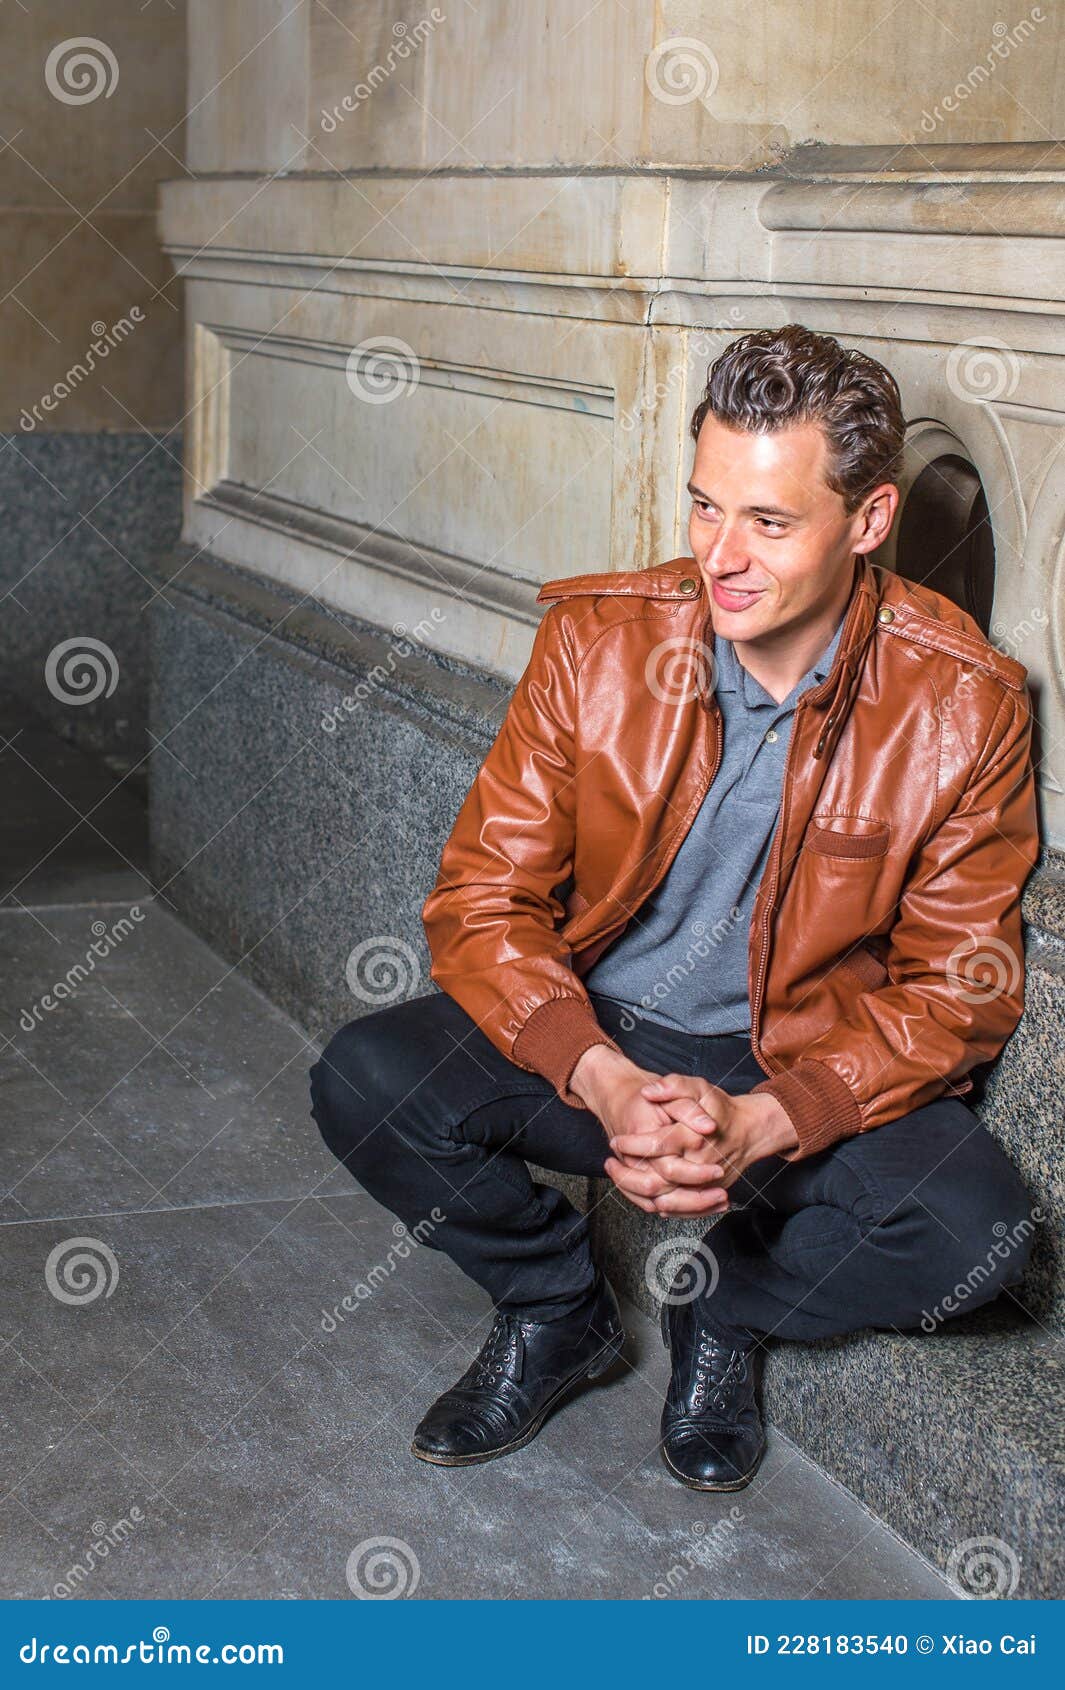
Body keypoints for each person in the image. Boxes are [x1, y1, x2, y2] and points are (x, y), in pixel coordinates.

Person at [310, 323, 1040, 1490]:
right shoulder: (598, 639)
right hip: (607, 1031)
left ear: (868, 522)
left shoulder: (963, 702)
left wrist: (771, 1118)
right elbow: (483, 897)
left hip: (799, 1053)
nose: (721, 557)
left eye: (769, 521)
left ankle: (732, 1314)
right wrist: (597, 1072)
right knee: (362, 1075)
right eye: (706, 506)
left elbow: (961, 990)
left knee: (981, 1233)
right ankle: (558, 1311)